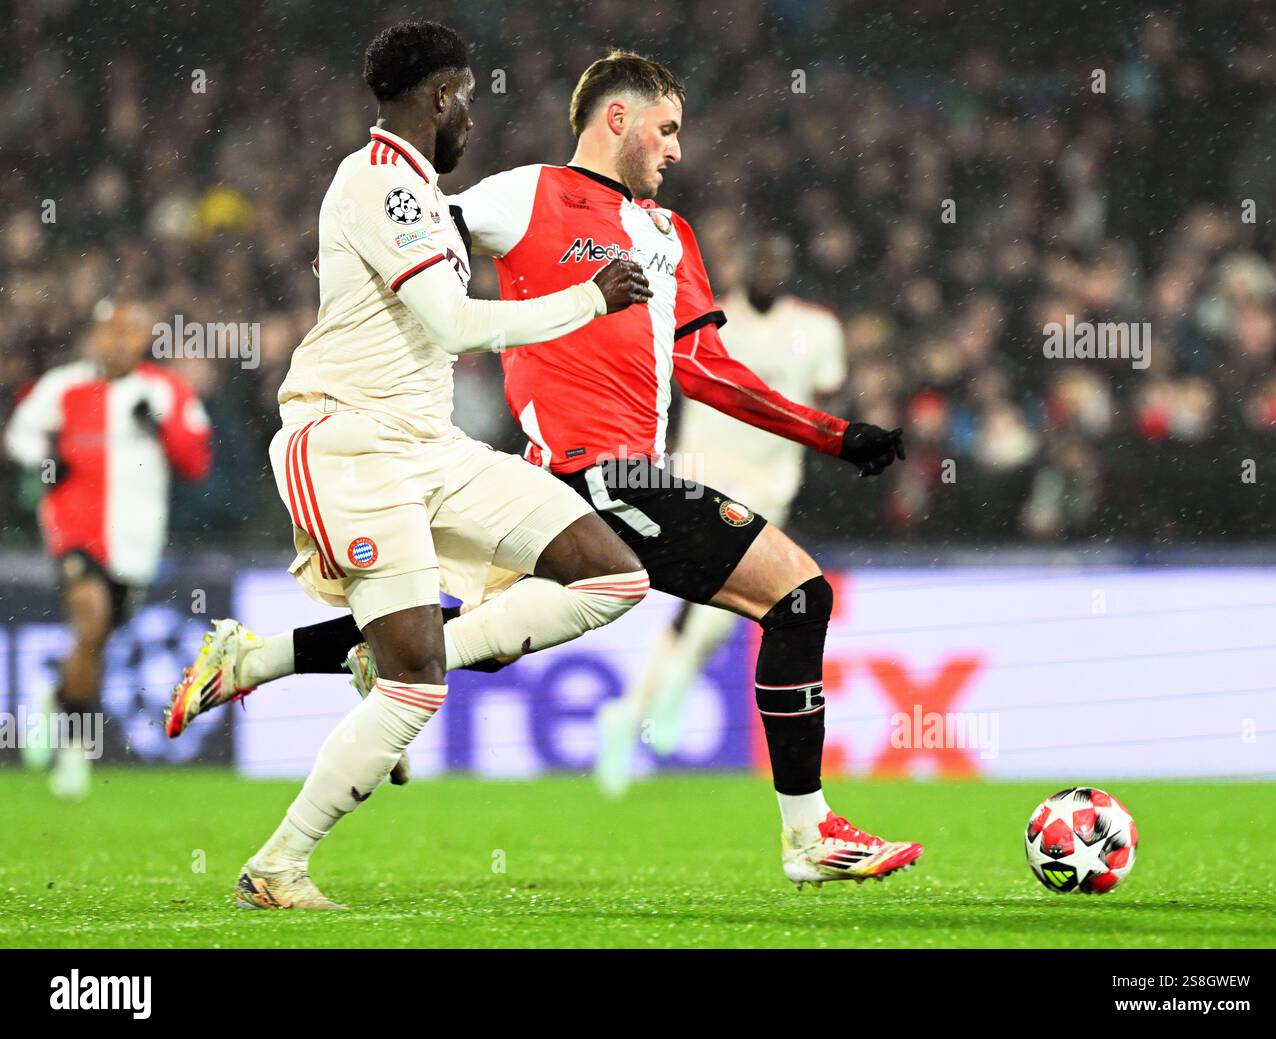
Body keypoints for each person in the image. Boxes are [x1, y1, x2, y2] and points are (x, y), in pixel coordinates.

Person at [173, 49, 920, 892]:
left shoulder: (673, 238)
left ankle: (253, 662)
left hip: (593, 476)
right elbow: (419, 247)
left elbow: (706, 368)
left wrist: (831, 433)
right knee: (799, 594)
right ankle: (809, 833)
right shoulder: (526, 194)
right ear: (617, 120)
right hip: (589, 471)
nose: (676, 150)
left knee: (436, 641)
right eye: (667, 130)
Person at [208, 22, 654, 910]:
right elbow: (454, 325)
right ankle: (278, 866)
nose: (476, 123)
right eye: (472, 101)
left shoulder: (422, 195)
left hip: (431, 445)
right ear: (443, 95)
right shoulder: (377, 181)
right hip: (352, 442)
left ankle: (362, 656)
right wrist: (587, 298)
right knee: (416, 687)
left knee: (614, 577)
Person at [594, 232, 848, 796]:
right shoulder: (706, 319)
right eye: (757, 258)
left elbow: (828, 396)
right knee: (735, 599)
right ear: (741, 265)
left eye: (774, 259)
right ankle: (668, 692)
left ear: (786, 268)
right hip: (705, 476)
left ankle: (631, 714)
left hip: (772, 486)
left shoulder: (818, 329)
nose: (764, 268)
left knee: (709, 613)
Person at [4, 297, 212, 798]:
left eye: (130, 334)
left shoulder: (166, 390)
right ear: (94, 336)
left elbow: (197, 463)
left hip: (137, 539)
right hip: (74, 528)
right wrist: (50, 459)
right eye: (110, 333)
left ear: (144, 341)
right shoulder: (62, 385)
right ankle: (75, 753)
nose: (119, 343)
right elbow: (19, 435)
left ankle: (54, 697)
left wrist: (161, 429)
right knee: (91, 617)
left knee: (95, 640)